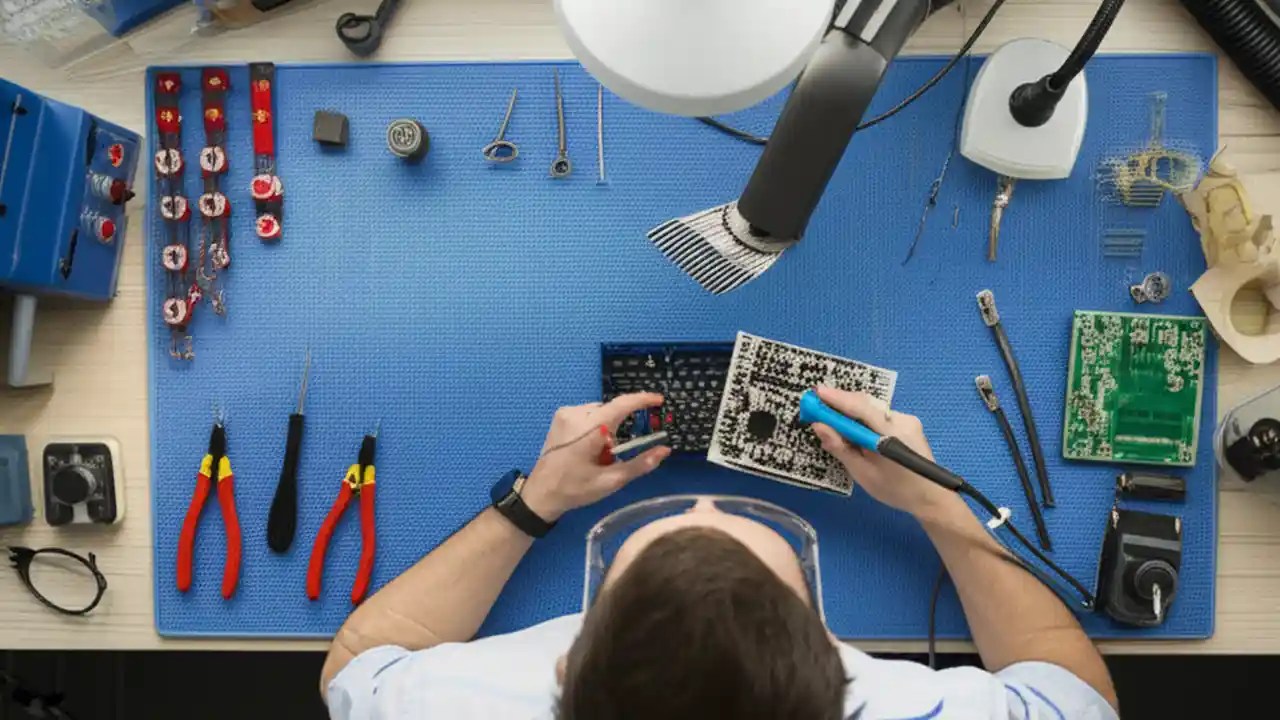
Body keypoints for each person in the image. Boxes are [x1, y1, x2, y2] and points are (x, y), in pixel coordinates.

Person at [321, 387, 1119, 719]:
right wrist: (938, 503)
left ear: (564, 672)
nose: (703, 499)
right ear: (836, 667)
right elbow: (1073, 691)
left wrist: (536, 501)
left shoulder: (457, 703)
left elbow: (357, 660)